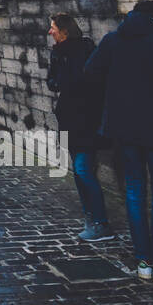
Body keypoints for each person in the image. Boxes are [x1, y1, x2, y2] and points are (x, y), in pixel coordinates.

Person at [84, 0, 153, 285]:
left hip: (124, 131)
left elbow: (90, 74)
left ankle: (143, 261)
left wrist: (117, 91)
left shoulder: (111, 41)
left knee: (133, 192)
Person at [47, 13, 111, 242]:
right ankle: (91, 216)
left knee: (84, 169)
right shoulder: (57, 53)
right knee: (78, 170)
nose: (50, 31)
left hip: (85, 120)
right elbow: (52, 82)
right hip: (69, 120)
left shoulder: (85, 50)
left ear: (64, 30)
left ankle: (100, 222)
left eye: (53, 27)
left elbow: (90, 85)